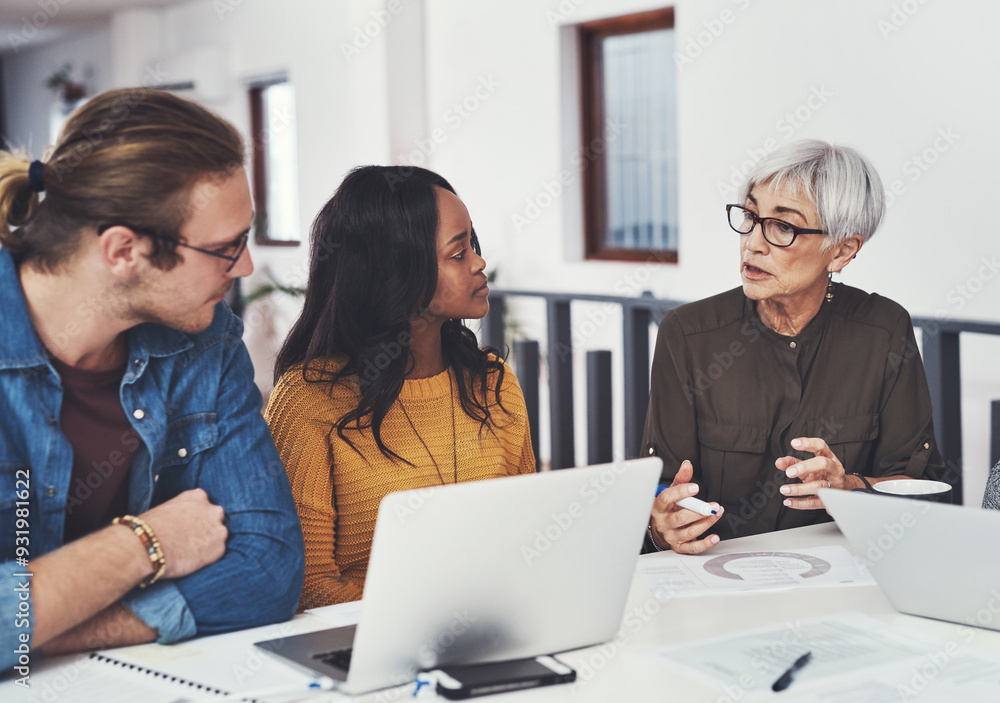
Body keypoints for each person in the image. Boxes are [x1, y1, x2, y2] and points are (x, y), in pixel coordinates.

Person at [0, 88, 304, 673]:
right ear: (123, 251)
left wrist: (41, 627)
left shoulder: (205, 343)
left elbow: (268, 567)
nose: (243, 267)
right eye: (224, 248)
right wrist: (145, 542)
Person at [644, 139, 948, 554]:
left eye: (783, 227)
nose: (753, 242)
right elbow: (660, 489)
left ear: (842, 251)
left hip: (843, 581)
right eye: (751, 217)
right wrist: (663, 526)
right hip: (715, 579)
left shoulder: (883, 331)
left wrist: (850, 487)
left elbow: (922, 492)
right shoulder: (688, 334)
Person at [267, 165, 536, 609]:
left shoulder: (493, 383)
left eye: (474, 244)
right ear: (395, 271)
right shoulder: (308, 401)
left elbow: (529, 537)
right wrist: (433, 611)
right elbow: (309, 587)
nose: (479, 262)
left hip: (496, 623)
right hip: (367, 646)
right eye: (457, 253)